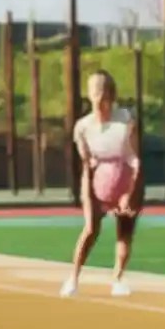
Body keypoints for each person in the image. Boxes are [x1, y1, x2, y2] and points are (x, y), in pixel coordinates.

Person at [61, 70, 142, 298]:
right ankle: (73, 278)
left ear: (112, 94)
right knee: (89, 230)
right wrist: (88, 193)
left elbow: (135, 159)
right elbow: (86, 164)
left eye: (103, 91)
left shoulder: (126, 120)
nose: (99, 97)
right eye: (94, 91)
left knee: (124, 231)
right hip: (96, 184)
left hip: (125, 180)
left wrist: (129, 191)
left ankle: (117, 278)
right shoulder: (82, 127)